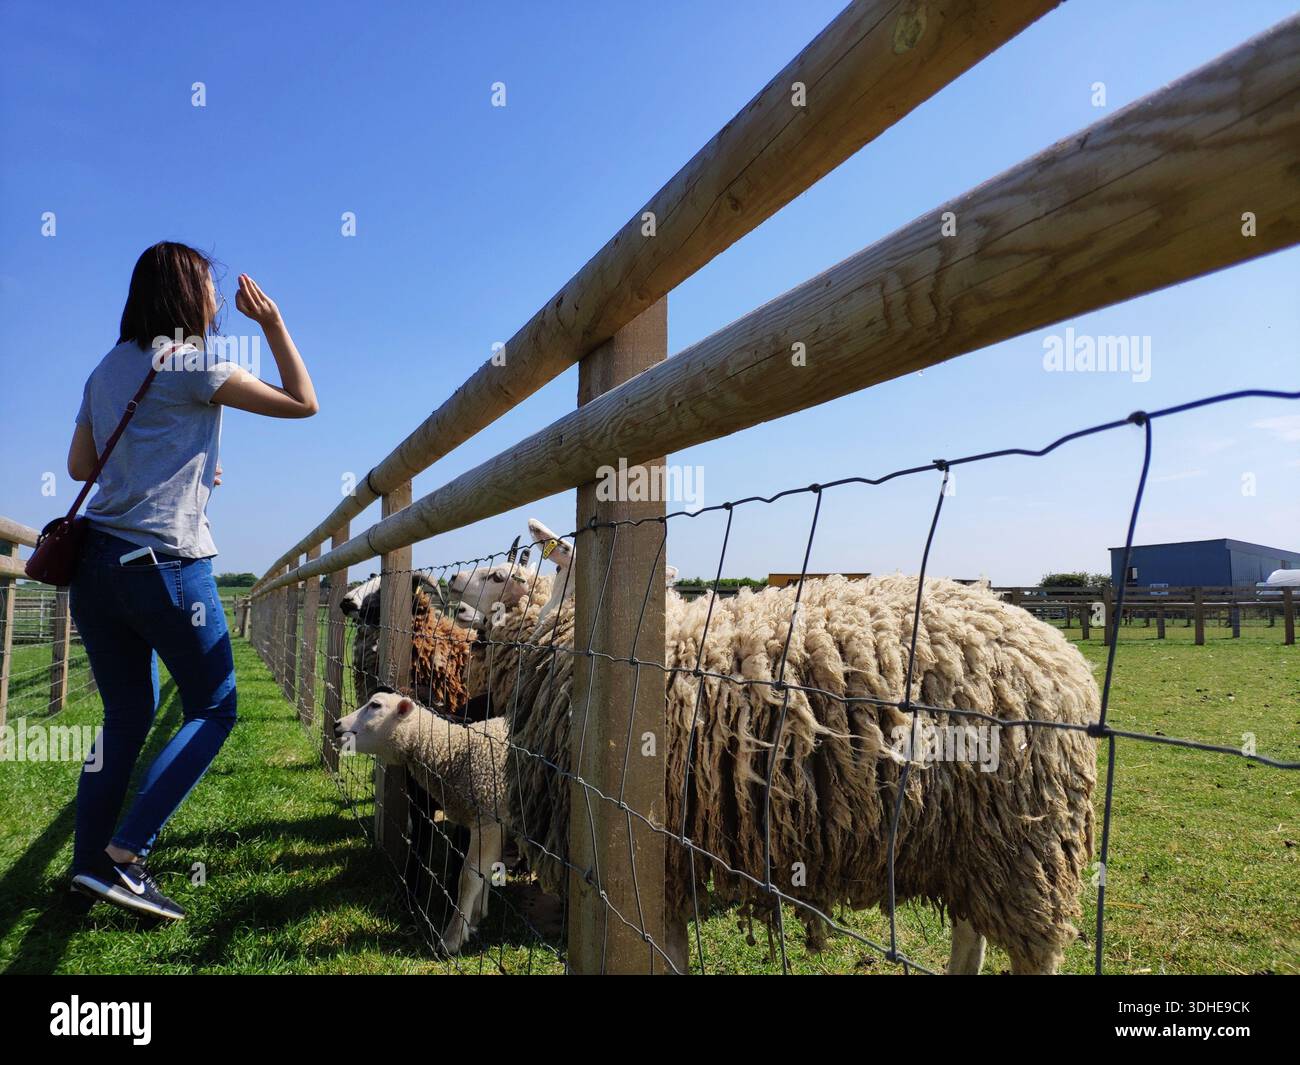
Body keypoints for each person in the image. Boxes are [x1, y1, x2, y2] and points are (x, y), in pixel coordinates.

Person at [66, 241, 318, 920]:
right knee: (216, 705)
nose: (216, 296)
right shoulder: (197, 360)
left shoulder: (104, 367)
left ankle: (88, 862)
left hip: (94, 571)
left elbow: (80, 465)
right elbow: (304, 402)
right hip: (165, 567)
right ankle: (127, 851)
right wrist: (272, 324)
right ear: (185, 292)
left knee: (124, 714)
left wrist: (178, 464)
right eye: (208, 283)